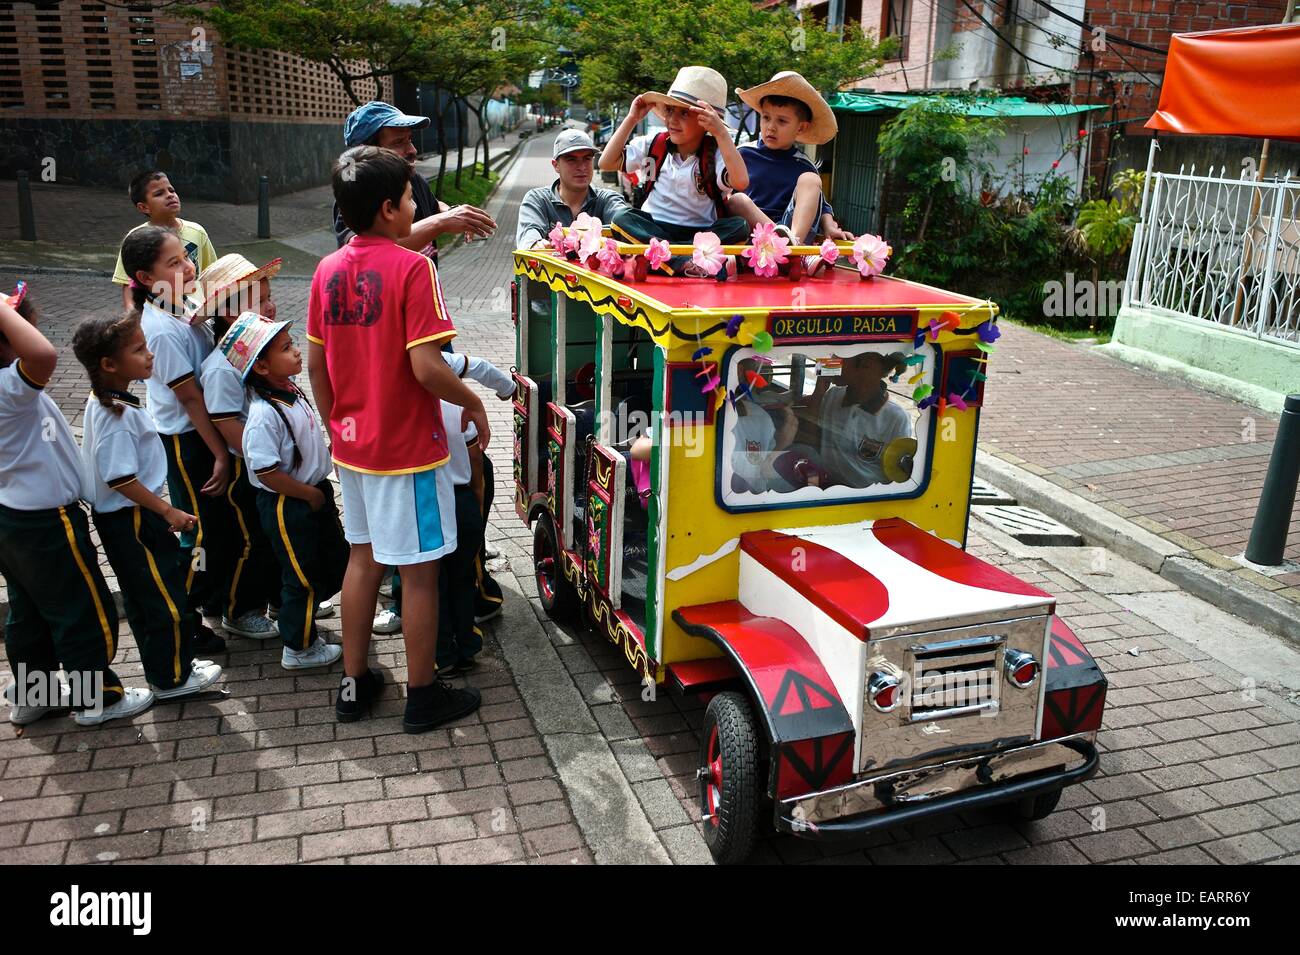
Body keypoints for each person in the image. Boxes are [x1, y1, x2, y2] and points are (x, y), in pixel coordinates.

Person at [311, 144, 492, 732]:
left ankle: (354, 682)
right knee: (418, 570)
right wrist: (472, 401)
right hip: (407, 449)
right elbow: (427, 367)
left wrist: (338, 423)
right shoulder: (414, 269)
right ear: (390, 208)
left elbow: (317, 366)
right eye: (413, 197)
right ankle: (421, 694)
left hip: (353, 446)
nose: (418, 205)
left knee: (363, 559)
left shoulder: (327, 269)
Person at [0, 282, 153, 727]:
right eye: (22, 326)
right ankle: (98, 700)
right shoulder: (11, 388)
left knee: (29, 611)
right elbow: (44, 355)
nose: (34, 329)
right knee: (79, 608)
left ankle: (35, 695)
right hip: (46, 523)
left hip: (12, 520)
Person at [71, 313, 225, 701]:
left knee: (147, 598)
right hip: (133, 520)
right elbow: (120, 478)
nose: (150, 354)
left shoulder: (112, 399)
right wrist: (167, 511)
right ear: (109, 364)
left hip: (128, 518)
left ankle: (168, 667)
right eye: (139, 350)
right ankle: (172, 678)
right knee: (163, 600)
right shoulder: (115, 414)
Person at [120, 225, 230, 655]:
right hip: (188, 442)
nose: (188, 266)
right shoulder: (161, 330)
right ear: (146, 278)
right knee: (195, 531)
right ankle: (187, 617)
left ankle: (220, 600)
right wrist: (219, 453)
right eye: (174, 263)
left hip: (202, 435)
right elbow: (189, 398)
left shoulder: (182, 307)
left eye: (186, 257)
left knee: (215, 525)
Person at [217, 314, 347, 671]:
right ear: (260, 366)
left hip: (310, 493)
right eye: (286, 349)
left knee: (331, 561)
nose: (296, 353)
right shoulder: (261, 415)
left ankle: (297, 616)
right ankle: (299, 646)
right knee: (300, 574)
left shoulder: (291, 391)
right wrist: (307, 494)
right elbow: (267, 472)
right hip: (288, 502)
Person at [193, 254, 286, 640]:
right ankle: (239, 609)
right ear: (229, 312)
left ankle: (270, 597)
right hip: (245, 468)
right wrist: (261, 458)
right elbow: (226, 421)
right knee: (246, 539)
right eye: (260, 299)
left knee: (263, 535)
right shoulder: (221, 365)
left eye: (269, 296)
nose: (271, 305)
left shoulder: (250, 352)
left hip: (263, 464)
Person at [599, 66, 751, 275]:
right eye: (669, 110)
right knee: (621, 219)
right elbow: (606, 162)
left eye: (684, 113)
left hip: (700, 238)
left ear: (705, 121)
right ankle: (686, 264)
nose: (672, 120)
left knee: (738, 227)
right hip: (654, 230)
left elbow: (741, 182)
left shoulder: (717, 153)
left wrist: (722, 134)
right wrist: (631, 119)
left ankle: (664, 262)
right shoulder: (653, 145)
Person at [333, 101, 496, 260]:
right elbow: (366, 252)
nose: (412, 150)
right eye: (398, 142)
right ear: (368, 152)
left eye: (409, 139)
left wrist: (451, 212)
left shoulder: (411, 178)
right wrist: (441, 222)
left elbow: (433, 204)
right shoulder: (353, 196)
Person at [727, 72, 853, 275]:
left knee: (811, 180)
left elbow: (822, 204)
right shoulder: (743, 154)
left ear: (800, 127)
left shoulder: (803, 164)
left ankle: (794, 248)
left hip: (792, 229)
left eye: (782, 121)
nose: (771, 127)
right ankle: (793, 252)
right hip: (754, 236)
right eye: (766, 118)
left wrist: (829, 226)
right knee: (738, 200)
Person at [112, 171, 218, 310]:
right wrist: (134, 318)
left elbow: (212, 275)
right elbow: (129, 286)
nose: (170, 195)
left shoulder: (197, 232)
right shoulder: (136, 238)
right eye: (159, 193)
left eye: (171, 190)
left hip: (194, 313)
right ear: (143, 207)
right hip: (159, 312)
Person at [812, 352, 913, 488]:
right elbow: (810, 435)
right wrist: (819, 391)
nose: (828, 362)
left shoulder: (897, 418)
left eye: (836, 357)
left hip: (864, 498)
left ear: (867, 366)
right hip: (824, 485)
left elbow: (898, 475)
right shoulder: (833, 395)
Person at [517, 129, 630, 249]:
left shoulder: (608, 199)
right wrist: (535, 244)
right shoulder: (537, 200)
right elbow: (529, 235)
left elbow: (625, 224)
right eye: (571, 160)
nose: (581, 167)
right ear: (556, 165)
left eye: (587, 159)